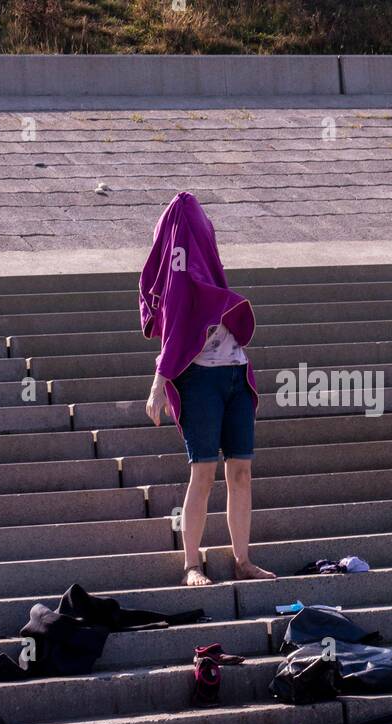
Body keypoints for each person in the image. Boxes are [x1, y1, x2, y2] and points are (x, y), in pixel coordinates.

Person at [141, 192, 277, 587]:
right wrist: (158, 385)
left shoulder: (209, 267)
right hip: (199, 379)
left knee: (242, 471)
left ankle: (242, 560)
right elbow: (174, 331)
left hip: (234, 373)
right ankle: (191, 564)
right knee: (202, 472)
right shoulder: (177, 276)